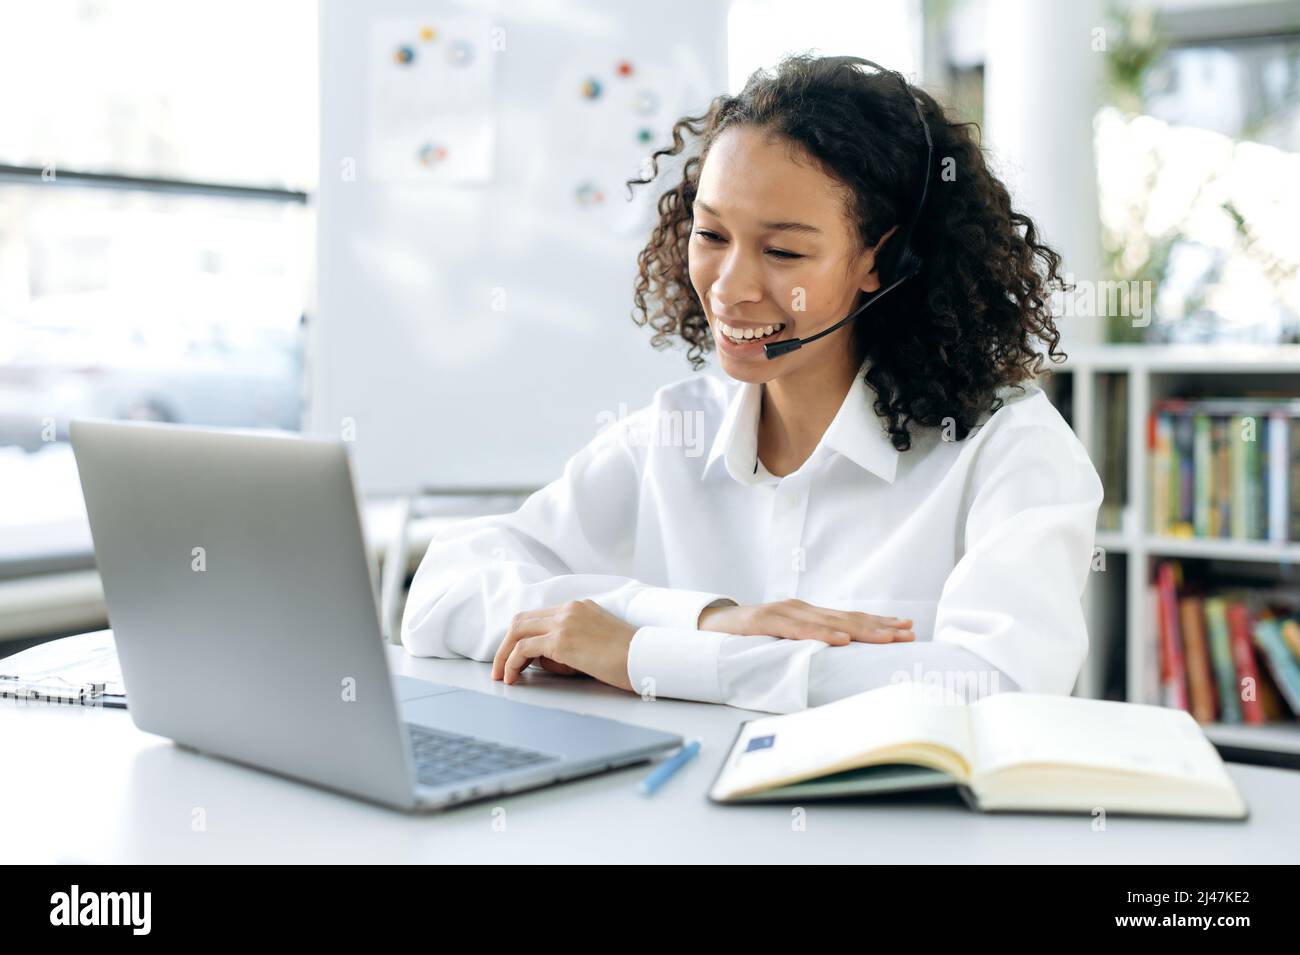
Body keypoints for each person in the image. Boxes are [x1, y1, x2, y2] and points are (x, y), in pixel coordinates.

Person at [401, 54, 1103, 714]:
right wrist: (704, 617)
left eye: (783, 250)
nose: (730, 289)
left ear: (881, 262)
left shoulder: (1008, 448)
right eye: (711, 236)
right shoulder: (675, 433)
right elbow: (442, 592)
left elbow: (999, 684)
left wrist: (651, 655)